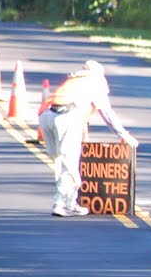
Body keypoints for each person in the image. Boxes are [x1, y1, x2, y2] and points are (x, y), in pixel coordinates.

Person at [40, 60, 139, 217]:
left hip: (47, 116)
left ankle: (70, 202)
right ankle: (60, 204)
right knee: (69, 164)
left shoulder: (74, 79)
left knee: (60, 162)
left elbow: (81, 110)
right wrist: (124, 135)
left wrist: (84, 135)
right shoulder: (96, 81)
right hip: (67, 118)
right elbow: (106, 112)